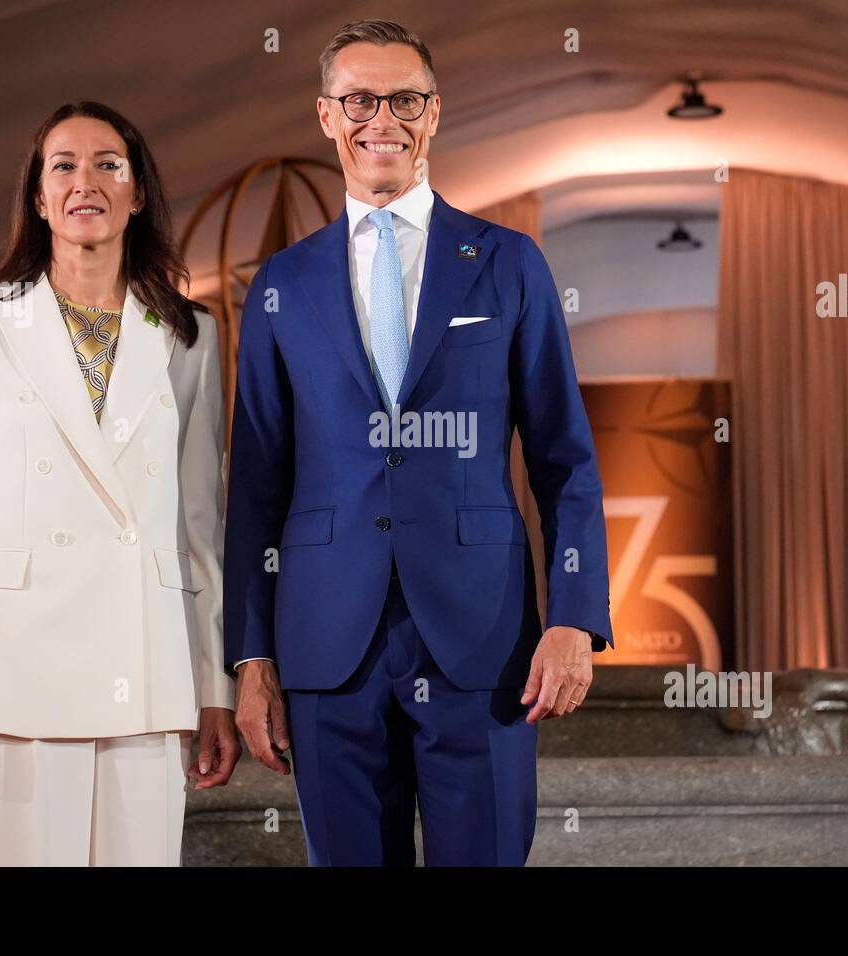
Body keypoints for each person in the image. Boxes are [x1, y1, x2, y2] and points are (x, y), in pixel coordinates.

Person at [224, 20, 612, 866]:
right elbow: (255, 486)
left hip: (484, 637)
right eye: (359, 100)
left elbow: (565, 460)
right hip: (326, 644)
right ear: (326, 115)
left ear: (434, 113)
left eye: (405, 100)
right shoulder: (281, 284)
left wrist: (576, 617)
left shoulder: (508, 263)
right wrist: (251, 655)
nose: (382, 120)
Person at [0, 101, 239, 866]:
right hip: (13, 669)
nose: (84, 181)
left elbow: (200, 526)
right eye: (63, 165)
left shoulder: (190, 333)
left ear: (138, 193)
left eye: (108, 165)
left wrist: (214, 690)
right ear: (38, 196)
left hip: (147, 664)